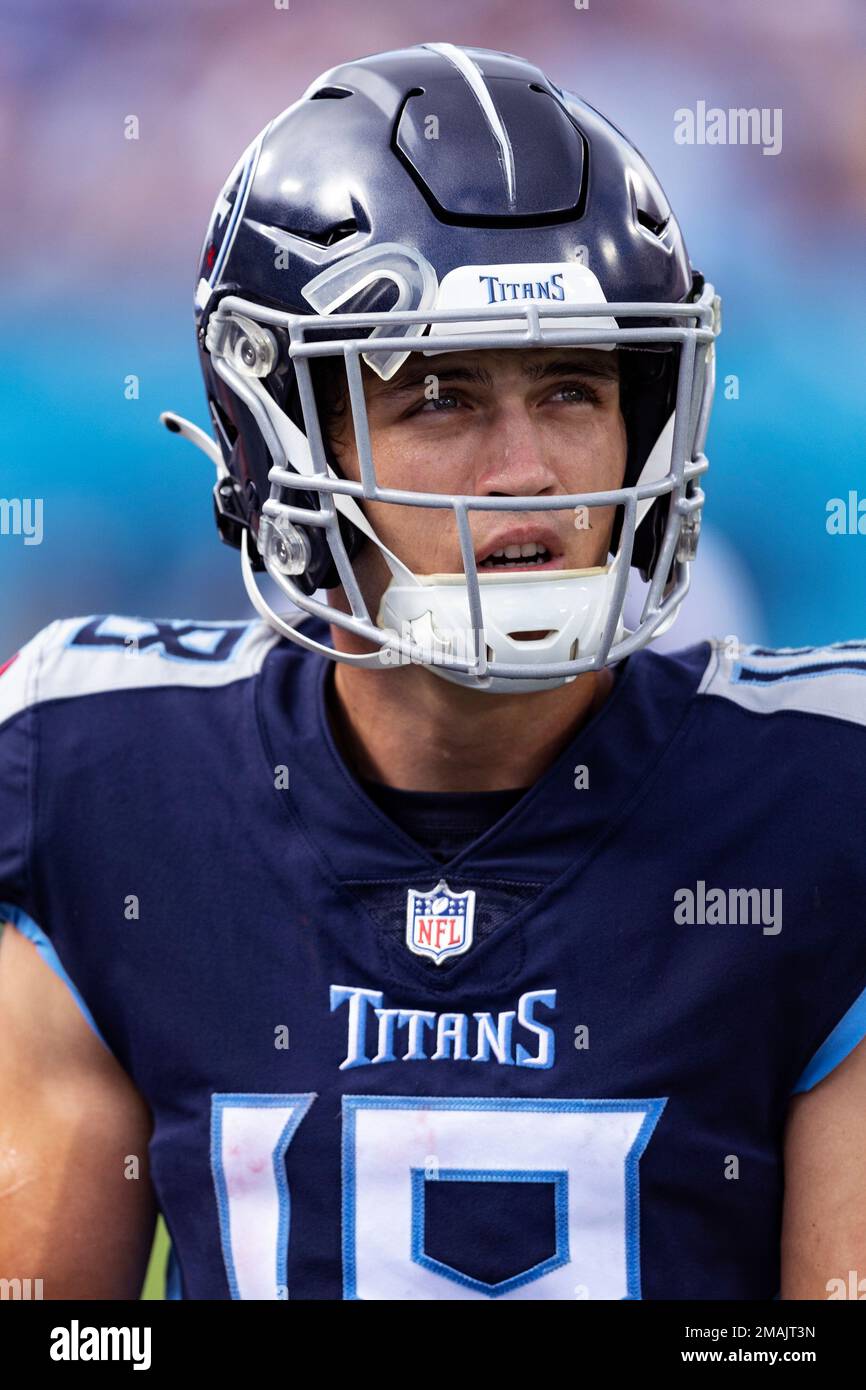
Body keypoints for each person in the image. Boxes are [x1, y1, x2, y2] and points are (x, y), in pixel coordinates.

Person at [1, 42, 865, 1302]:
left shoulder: (814, 800)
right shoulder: (106, 785)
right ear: (274, 431)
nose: (526, 471)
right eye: (440, 395)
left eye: (572, 386)